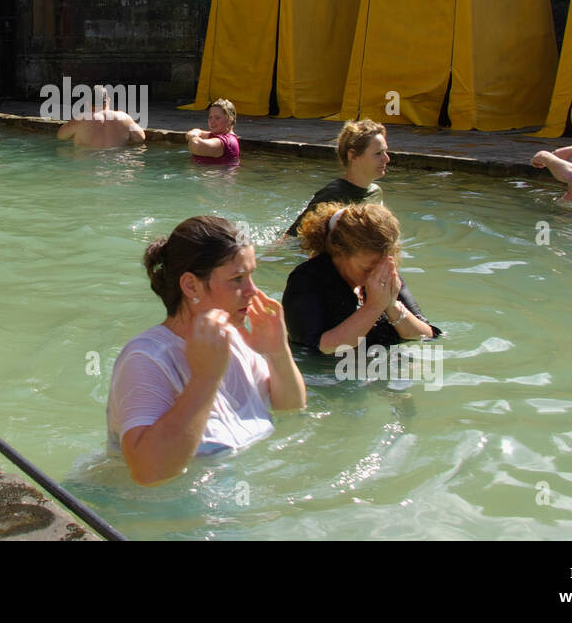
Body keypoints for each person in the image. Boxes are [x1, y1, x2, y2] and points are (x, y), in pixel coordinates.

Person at [107, 216, 306, 486]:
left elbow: (291, 408)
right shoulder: (145, 359)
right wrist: (205, 379)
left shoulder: (231, 340)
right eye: (237, 279)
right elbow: (148, 473)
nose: (252, 291)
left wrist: (278, 350)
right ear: (191, 286)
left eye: (251, 275)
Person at [282, 202, 439, 354]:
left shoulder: (384, 273)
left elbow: (426, 335)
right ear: (340, 253)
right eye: (368, 268)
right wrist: (374, 307)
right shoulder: (306, 280)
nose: (375, 274)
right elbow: (321, 347)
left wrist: (391, 306)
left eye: (381, 264)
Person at [284, 119, 389, 238]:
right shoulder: (332, 196)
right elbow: (289, 240)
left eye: (385, 152)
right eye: (378, 153)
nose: (387, 159)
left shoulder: (375, 192)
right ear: (352, 156)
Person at [56, 88, 145, 147]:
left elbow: (61, 136)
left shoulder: (80, 119)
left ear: (87, 103)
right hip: (115, 166)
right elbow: (140, 138)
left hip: (87, 169)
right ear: (108, 101)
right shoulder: (124, 118)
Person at [185, 98, 239, 164]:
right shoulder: (216, 135)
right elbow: (196, 131)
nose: (212, 122)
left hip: (216, 174)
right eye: (210, 117)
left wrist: (192, 137)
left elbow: (197, 146)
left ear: (230, 120)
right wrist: (193, 136)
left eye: (217, 118)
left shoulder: (227, 142)